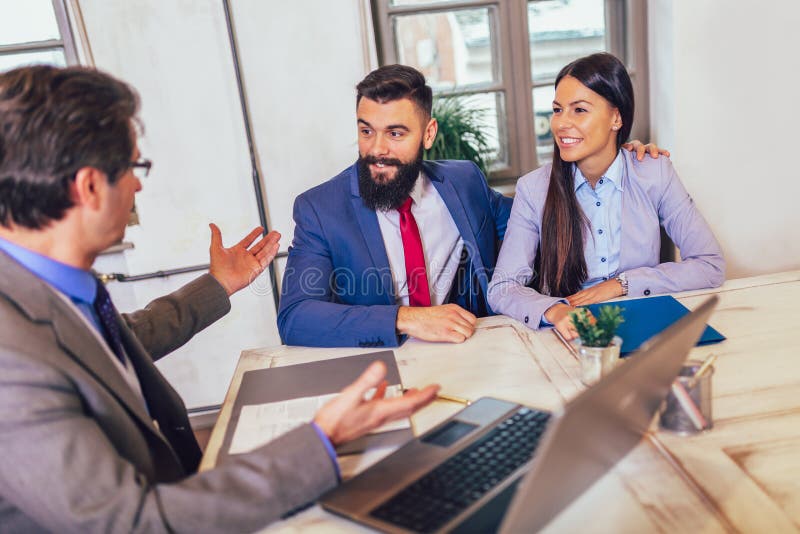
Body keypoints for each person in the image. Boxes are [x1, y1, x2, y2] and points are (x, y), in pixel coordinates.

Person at [0, 65, 439, 532]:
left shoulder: (45, 289)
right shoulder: (11, 359)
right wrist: (320, 441)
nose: (138, 186)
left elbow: (119, 339)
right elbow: (132, 523)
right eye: (133, 167)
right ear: (89, 187)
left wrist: (218, 285)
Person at [277, 64, 667, 348]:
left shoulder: (463, 182)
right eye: (366, 131)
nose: (377, 149)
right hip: (380, 368)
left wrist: (615, 159)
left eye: (395, 133)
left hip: (476, 350)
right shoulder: (319, 209)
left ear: (428, 133)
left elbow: (536, 216)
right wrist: (408, 319)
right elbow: (295, 317)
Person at [488, 52, 725, 340]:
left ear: (616, 118)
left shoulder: (654, 173)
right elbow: (502, 286)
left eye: (579, 110)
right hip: (569, 333)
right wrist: (553, 309)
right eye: (557, 109)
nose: (561, 123)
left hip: (642, 323)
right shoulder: (533, 189)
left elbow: (709, 265)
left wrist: (622, 284)